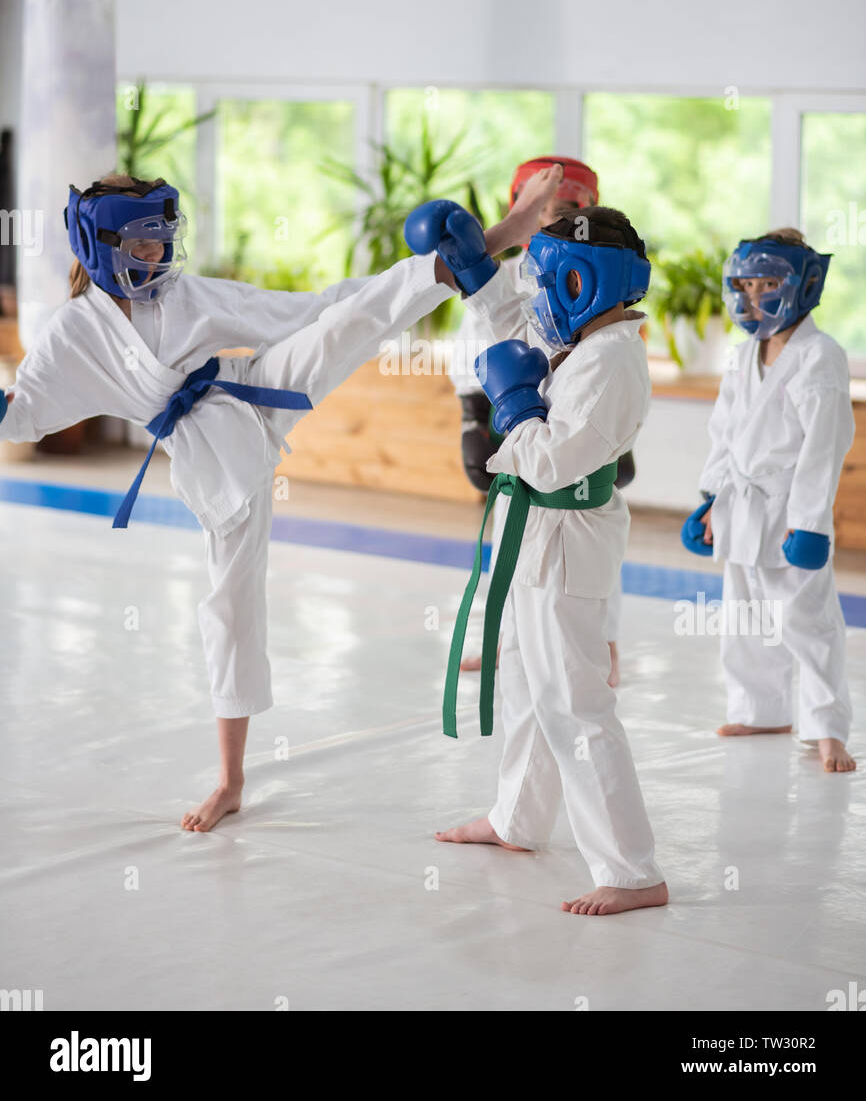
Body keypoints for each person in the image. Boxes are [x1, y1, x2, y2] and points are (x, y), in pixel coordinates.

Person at [0, 171, 555, 831]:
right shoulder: (74, 335)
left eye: (161, 242)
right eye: (141, 245)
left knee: (345, 319)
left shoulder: (182, 294)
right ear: (100, 243)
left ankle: (483, 245)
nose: (154, 258)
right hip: (214, 458)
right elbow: (22, 412)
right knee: (231, 607)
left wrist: (490, 239)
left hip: (253, 387)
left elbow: (303, 310)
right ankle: (231, 780)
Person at [409, 199, 668, 916]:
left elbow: (552, 463)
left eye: (549, 280)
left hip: (566, 539)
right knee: (528, 684)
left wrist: (517, 405)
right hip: (537, 539)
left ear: (586, 281)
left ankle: (633, 869)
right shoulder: (587, 341)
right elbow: (511, 323)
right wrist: (475, 272)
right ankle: (517, 817)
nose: (540, 296)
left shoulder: (610, 360)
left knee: (579, 707)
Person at [450, 156, 632, 686]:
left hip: (567, 440)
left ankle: (605, 643)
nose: (555, 219)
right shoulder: (516, 278)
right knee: (510, 545)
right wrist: (472, 420)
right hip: (514, 423)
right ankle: (504, 641)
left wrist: (615, 445)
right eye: (543, 210)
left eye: (569, 210)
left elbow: (606, 382)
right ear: (522, 212)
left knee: (583, 567)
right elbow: (488, 336)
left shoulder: (601, 295)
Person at [682, 229, 856, 773]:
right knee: (743, 614)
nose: (755, 297)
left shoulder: (820, 356)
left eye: (768, 285)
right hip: (740, 501)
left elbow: (824, 446)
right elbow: (724, 432)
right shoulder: (742, 355)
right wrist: (710, 496)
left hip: (788, 506)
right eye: (746, 285)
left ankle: (827, 729)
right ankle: (762, 710)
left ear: (801, 285)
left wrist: (809, 522)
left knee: (806, 618)